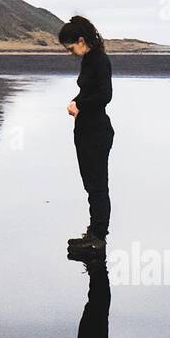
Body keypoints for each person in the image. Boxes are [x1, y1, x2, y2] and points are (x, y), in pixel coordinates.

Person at [60, 15, 113, 252]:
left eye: (71, 48)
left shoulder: (100, 60)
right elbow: (88, 90)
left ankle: (98, 237)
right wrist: (75, 100)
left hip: (97, 132)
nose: (70, 53)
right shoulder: (89, 59)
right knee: (91, 186)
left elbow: (105, 95)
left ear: (81, 40)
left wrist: (80, 106)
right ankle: (92, 232)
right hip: (85, 131)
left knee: (98, 186)